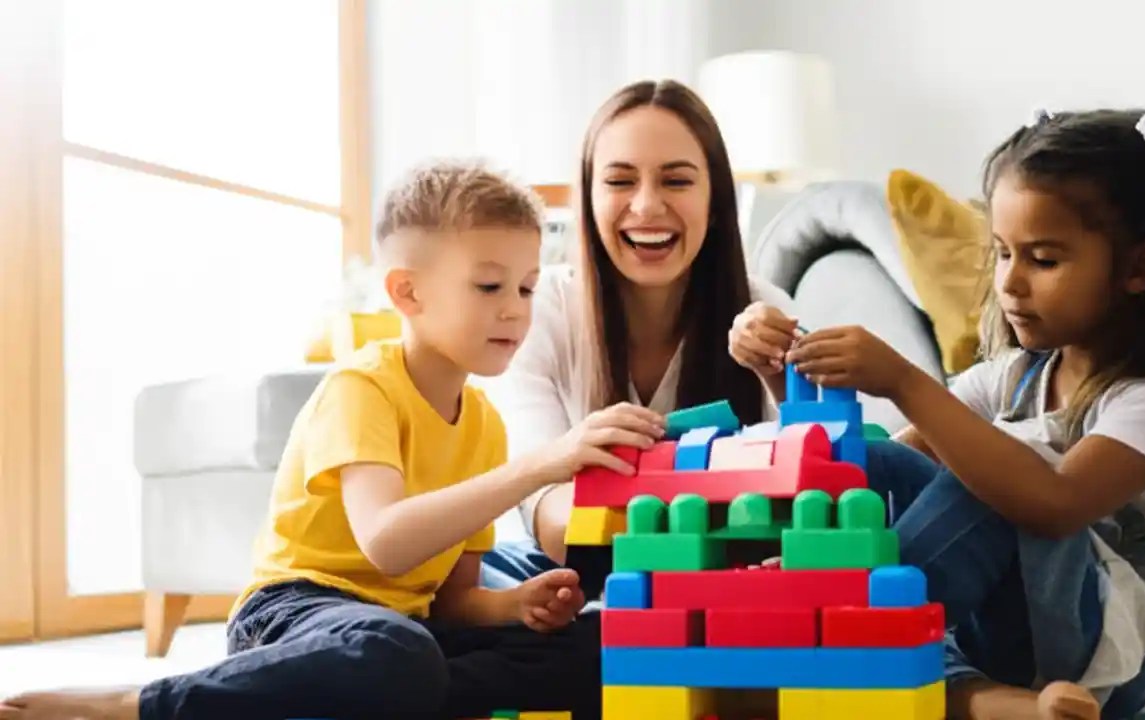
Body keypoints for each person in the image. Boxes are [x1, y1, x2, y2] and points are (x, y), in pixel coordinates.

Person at [0, 161, 669, 720]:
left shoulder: (484, 424)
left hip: (406, 628)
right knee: (395, 653)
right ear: (407, 293)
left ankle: (363, 697)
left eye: (526, 287)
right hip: (296, 612)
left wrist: (511, 606)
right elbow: (386, 541)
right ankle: (143, 702)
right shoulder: (363, 387)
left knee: (602, 643)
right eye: (490, 285)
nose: (516, 310)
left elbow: (452, 599)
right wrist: (541, 466)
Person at [750, 109, 1145, 719]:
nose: (1010, 283)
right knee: (880, 460)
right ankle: (1004, 703)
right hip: (1006, 631)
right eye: (1002, 254)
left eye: (1043, 260)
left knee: (998, 481)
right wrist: (783, 370)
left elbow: (1054, 505)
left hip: (1104, 652)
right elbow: (899, 465)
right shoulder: (1016, 375)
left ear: (1137, 269)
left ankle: (847, 628)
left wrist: (902, 380)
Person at [481, 79, 798, 597]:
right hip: (566, 588)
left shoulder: (765, 309)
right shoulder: (538, 312)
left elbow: (808, 498)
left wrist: (778, 377)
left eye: (676, 181)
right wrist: (712, 520)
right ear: (588, 199)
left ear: (716, 202)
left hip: (726, 597)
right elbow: (554, 523)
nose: (647, 206)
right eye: (619, 181)